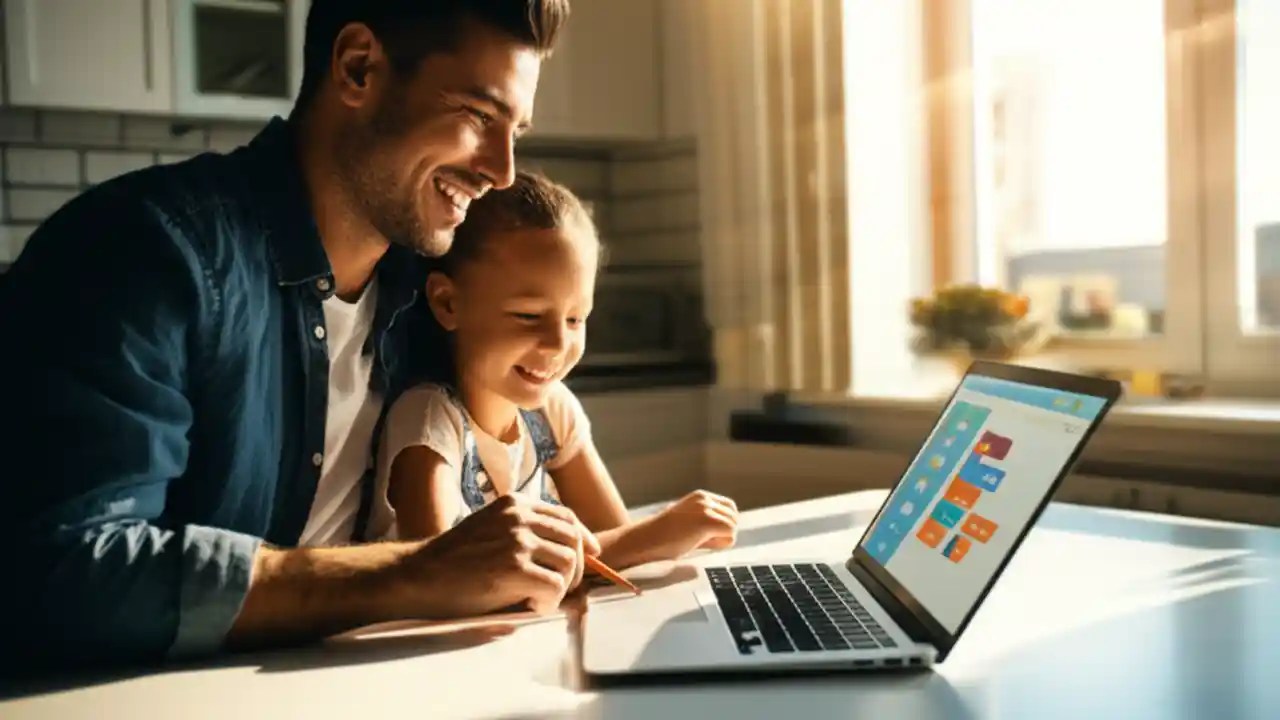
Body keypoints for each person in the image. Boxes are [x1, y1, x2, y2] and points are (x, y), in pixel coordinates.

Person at [0, 0, 596, 674]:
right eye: (478, 117)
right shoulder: (141, 253)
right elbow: (66, 573)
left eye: (515, 128)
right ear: (358, 67)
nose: (502, 169)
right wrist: (412, 573)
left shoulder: (433, 289)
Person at [371, 172, 739, 568]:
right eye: (528, 316)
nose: (558, 345)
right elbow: (439, 576)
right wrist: (657, 533)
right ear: (447, 303)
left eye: (576, 320)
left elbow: (612, 537)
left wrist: (657, 537)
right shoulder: (429, 421)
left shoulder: (551, 409)